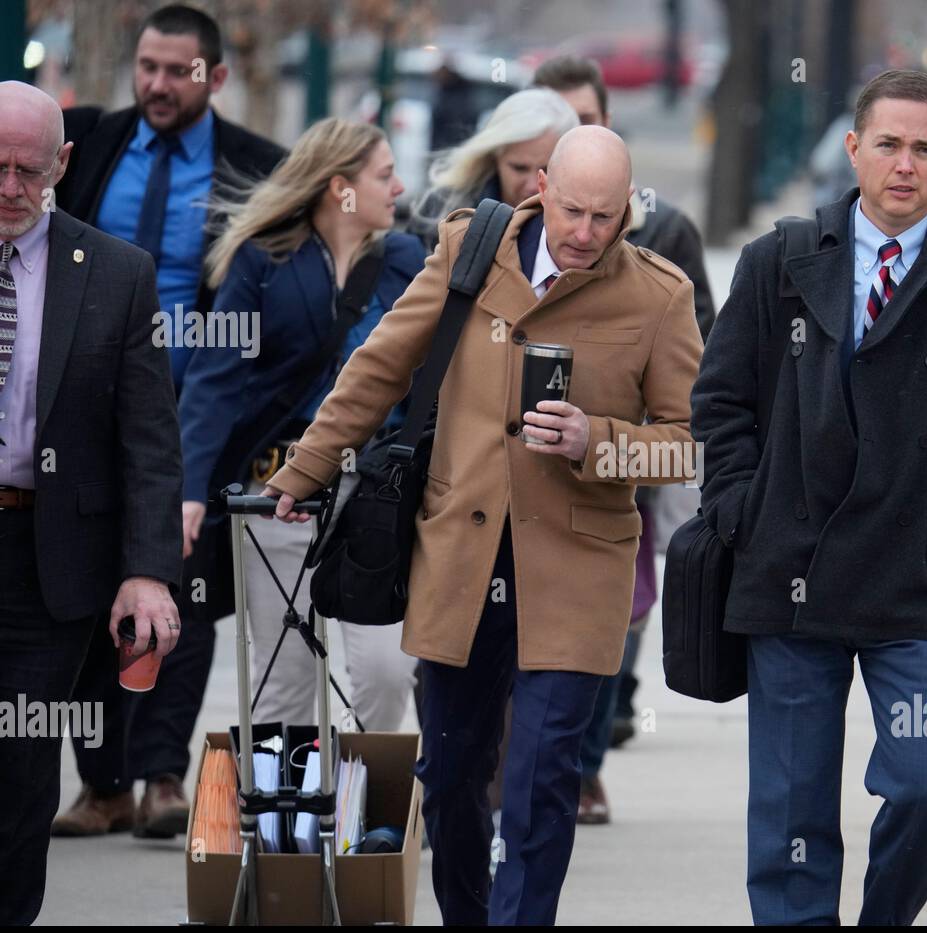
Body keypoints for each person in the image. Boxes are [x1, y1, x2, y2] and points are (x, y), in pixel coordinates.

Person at [262, 125, 703, 925]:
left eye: (607, 218)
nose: (586, 233)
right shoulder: (471, 251)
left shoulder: (658, 294)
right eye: (573, 211)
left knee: (541, 776)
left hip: (576, 571)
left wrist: (596, 440)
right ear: (541, 186)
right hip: (461, 558)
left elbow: (687, 446)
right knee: (453, 771)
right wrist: (309, 466)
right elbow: (380, 364)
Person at [692, 69, 927, 925]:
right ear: (853, 149)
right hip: (788, 577)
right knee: (791, 822)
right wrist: (744, 510)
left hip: (914, 589)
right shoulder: (777, 260)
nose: (904, 164)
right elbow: (720, 404)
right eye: (887, 143)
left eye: (924, 147)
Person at [50, 4, 284, 839]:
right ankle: (102, 781)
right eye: (146, 66)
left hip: (196, 422)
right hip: (77, 425)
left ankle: (161, 776)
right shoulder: (88, 145)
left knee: (180, 596)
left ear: (214, 77)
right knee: (80, 597)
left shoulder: (258, 169)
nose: (155, 83)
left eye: (174, 70)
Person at [0, 81, 183, 925]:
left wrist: (147, 572)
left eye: (27, 171)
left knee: (20, 768)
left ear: (63, 165)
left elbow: (149, 440)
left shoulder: (116, 274)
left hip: (46, 567)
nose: (8, 187)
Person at [181, 117, 425, 729]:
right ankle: (275, 821)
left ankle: (363, 810)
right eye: (385, 175)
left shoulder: (408, 260)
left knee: (387, 671)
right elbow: (214, 379)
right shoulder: (261, 261)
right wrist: (187, 490)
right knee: (283, 676)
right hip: (278, 490)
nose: (399, 188)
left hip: (375, 498)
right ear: (340, 186)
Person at [532, 54, 717, 822]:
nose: (585, 231)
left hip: (612, 491)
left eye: (585, 118)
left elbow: (695, 402)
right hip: (502, 511)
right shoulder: (485, 241)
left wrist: (605, 441)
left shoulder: (666, 237)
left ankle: (585, 761)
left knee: (622, 609)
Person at [409, 87, 579, 249]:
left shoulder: (587, 230)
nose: (533, 186)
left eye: (547, 171)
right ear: (495, 157)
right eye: (519, 168)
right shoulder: (442, 213)